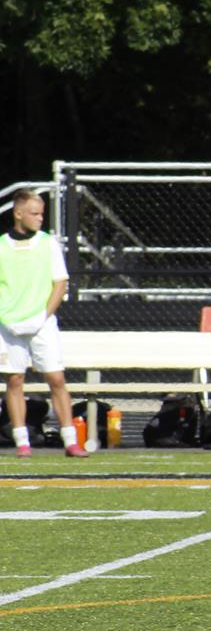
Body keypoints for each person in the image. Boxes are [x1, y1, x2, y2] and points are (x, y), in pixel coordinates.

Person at [2, 189, 85, 459]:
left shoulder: (48, 244)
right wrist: (5, 317)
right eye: (34, 214)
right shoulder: (1, 245)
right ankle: (22, 442)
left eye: (42, 214)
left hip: (42, 323)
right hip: (9, 325)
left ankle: (70, 440)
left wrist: (43, 315)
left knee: (56, 378)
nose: (40, 219)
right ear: (18, 213)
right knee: (15, 380)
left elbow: (60, 283)